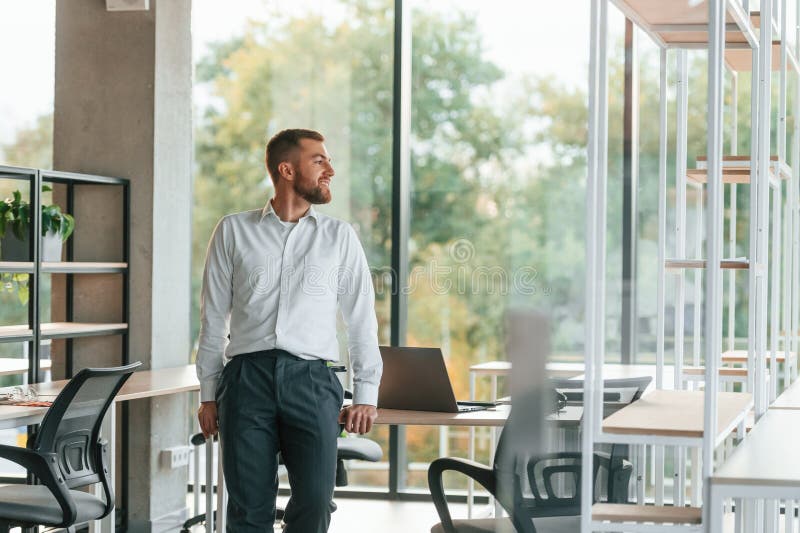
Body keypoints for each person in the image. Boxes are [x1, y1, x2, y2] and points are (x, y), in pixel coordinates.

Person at [195, 128, 383, 532]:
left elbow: (361, 319)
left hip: (312, 380)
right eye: (319, 160)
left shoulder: (340, 237)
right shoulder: (233, 230)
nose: (330, 169)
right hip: (247, 380)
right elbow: (212, 320)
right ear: (286, 169)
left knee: (316, 502)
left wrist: (366, 393)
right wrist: (208, 395)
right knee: (248, 509)